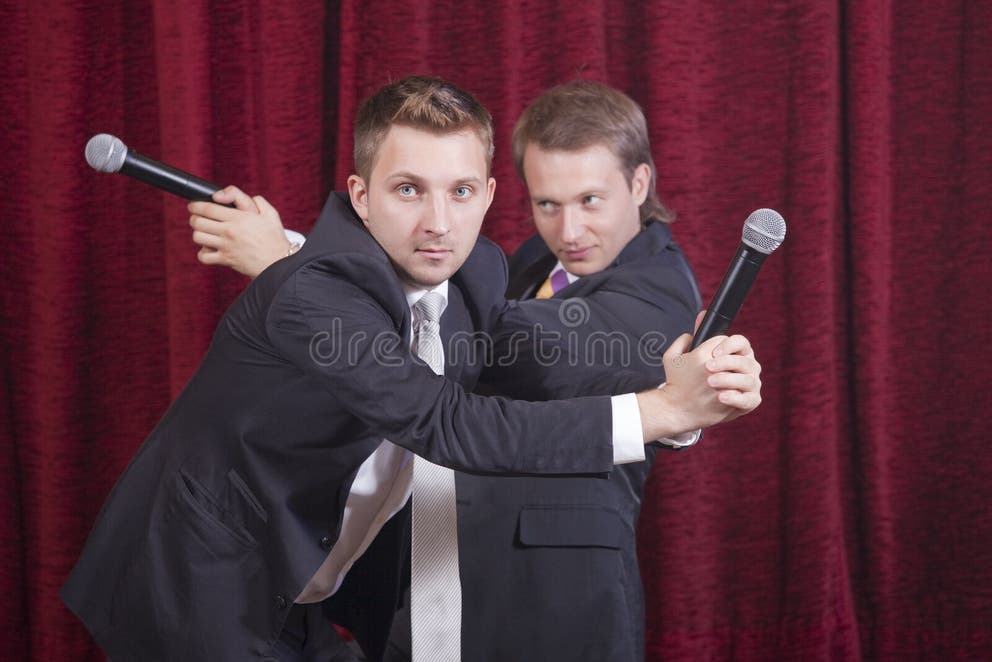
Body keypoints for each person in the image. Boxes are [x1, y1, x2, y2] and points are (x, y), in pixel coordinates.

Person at [63, 76, 761, 662]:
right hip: (201, 590)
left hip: (310, 591)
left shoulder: (474, 273)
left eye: (460, 192)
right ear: (361, 196)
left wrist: (682, 414)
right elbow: (446, 421)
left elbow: (526, 355)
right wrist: (667, 410)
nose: (438, 223)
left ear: (489, 196)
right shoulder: (309, 294)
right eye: (407, 190)